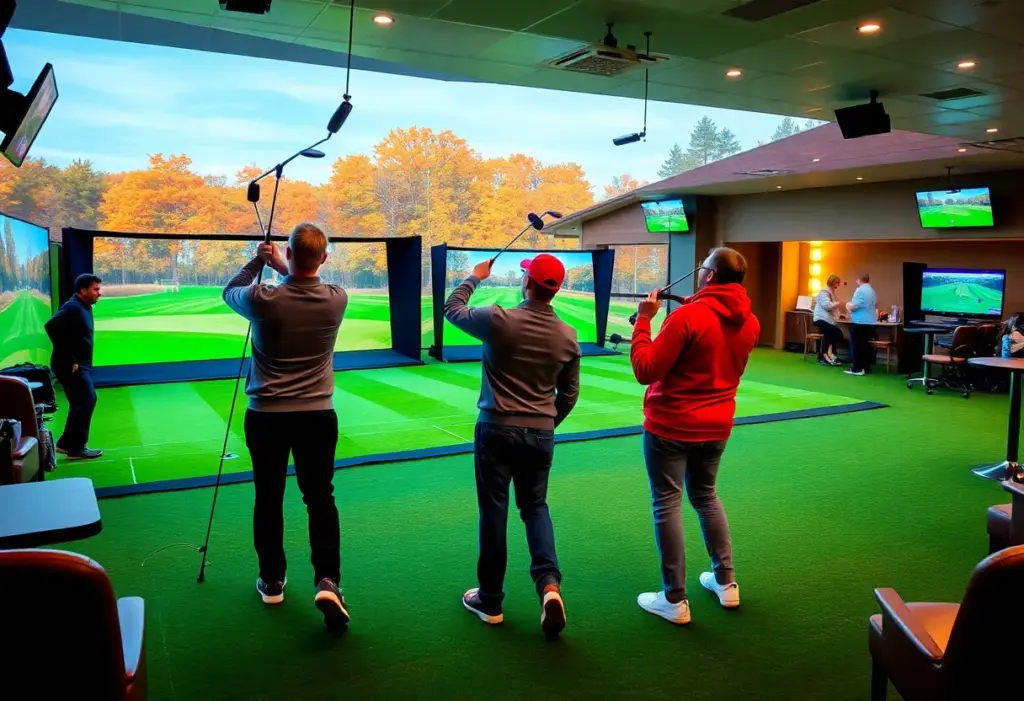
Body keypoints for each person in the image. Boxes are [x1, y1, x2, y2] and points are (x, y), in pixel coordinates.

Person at [444, 253, 581, 637]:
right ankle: (549, 586)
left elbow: (452, 308)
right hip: (541, 434)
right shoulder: (568, 335)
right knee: (535, 507)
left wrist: (474, 277)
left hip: (496, 430)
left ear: (528, 283)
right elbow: (568, 395)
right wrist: (546, 424)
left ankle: (490, 600)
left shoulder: (499, 318)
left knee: (494, 512)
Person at [222, 223, 350, 630]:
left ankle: (273, 580)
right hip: (317, 416)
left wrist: (258, 260)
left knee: (269, 496)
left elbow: (229, 290)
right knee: (319, 497)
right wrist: (281, 264)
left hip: (267, 417)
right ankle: (328, 580)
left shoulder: (262, 298)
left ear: (290, 254)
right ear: (325, 259)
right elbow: (303, 281)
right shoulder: (337, 299)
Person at [630, 247, 760, 625]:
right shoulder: (749, 321)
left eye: (703, 266)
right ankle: (726, 582)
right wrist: (688, 306)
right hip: (717, 427)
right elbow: (712, 324)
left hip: (670, 426)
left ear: (709, 277)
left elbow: (645, 368)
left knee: (666, 504)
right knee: (705, 496)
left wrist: (643, 322)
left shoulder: (687, 317)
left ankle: (673, 599)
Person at [44, 273, 103, 460]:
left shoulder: (83, 306)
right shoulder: (73, 307)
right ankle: (74, 447)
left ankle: (67, 444)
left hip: (78, 364)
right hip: (71, 365)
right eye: (95, 289)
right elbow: (51, 326)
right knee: (87, 400)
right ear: (83, 290)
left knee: (81, 402)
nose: (99, 293)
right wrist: (70, 358)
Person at [845, 273, 878, 376]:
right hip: (870, 322)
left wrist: (847, 305)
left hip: (860, 322)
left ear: (858, 279)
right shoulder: (872, 291)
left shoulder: (860, 290)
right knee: (866, 346)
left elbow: (855, 306)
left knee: (857, 345)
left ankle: (857, 368)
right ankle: (865, 367)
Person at [813, 275, 844, 366]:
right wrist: (838, 304)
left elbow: (833, 307)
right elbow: (827, 305)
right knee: (836, 333)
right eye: (837, 283)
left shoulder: (831, 292)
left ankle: (827, 355)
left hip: (827, 319)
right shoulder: (824, 291)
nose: (838, 285)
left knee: (831, 334)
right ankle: (827, 354)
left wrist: (840, 314)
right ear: (832, 282)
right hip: (821, 319)